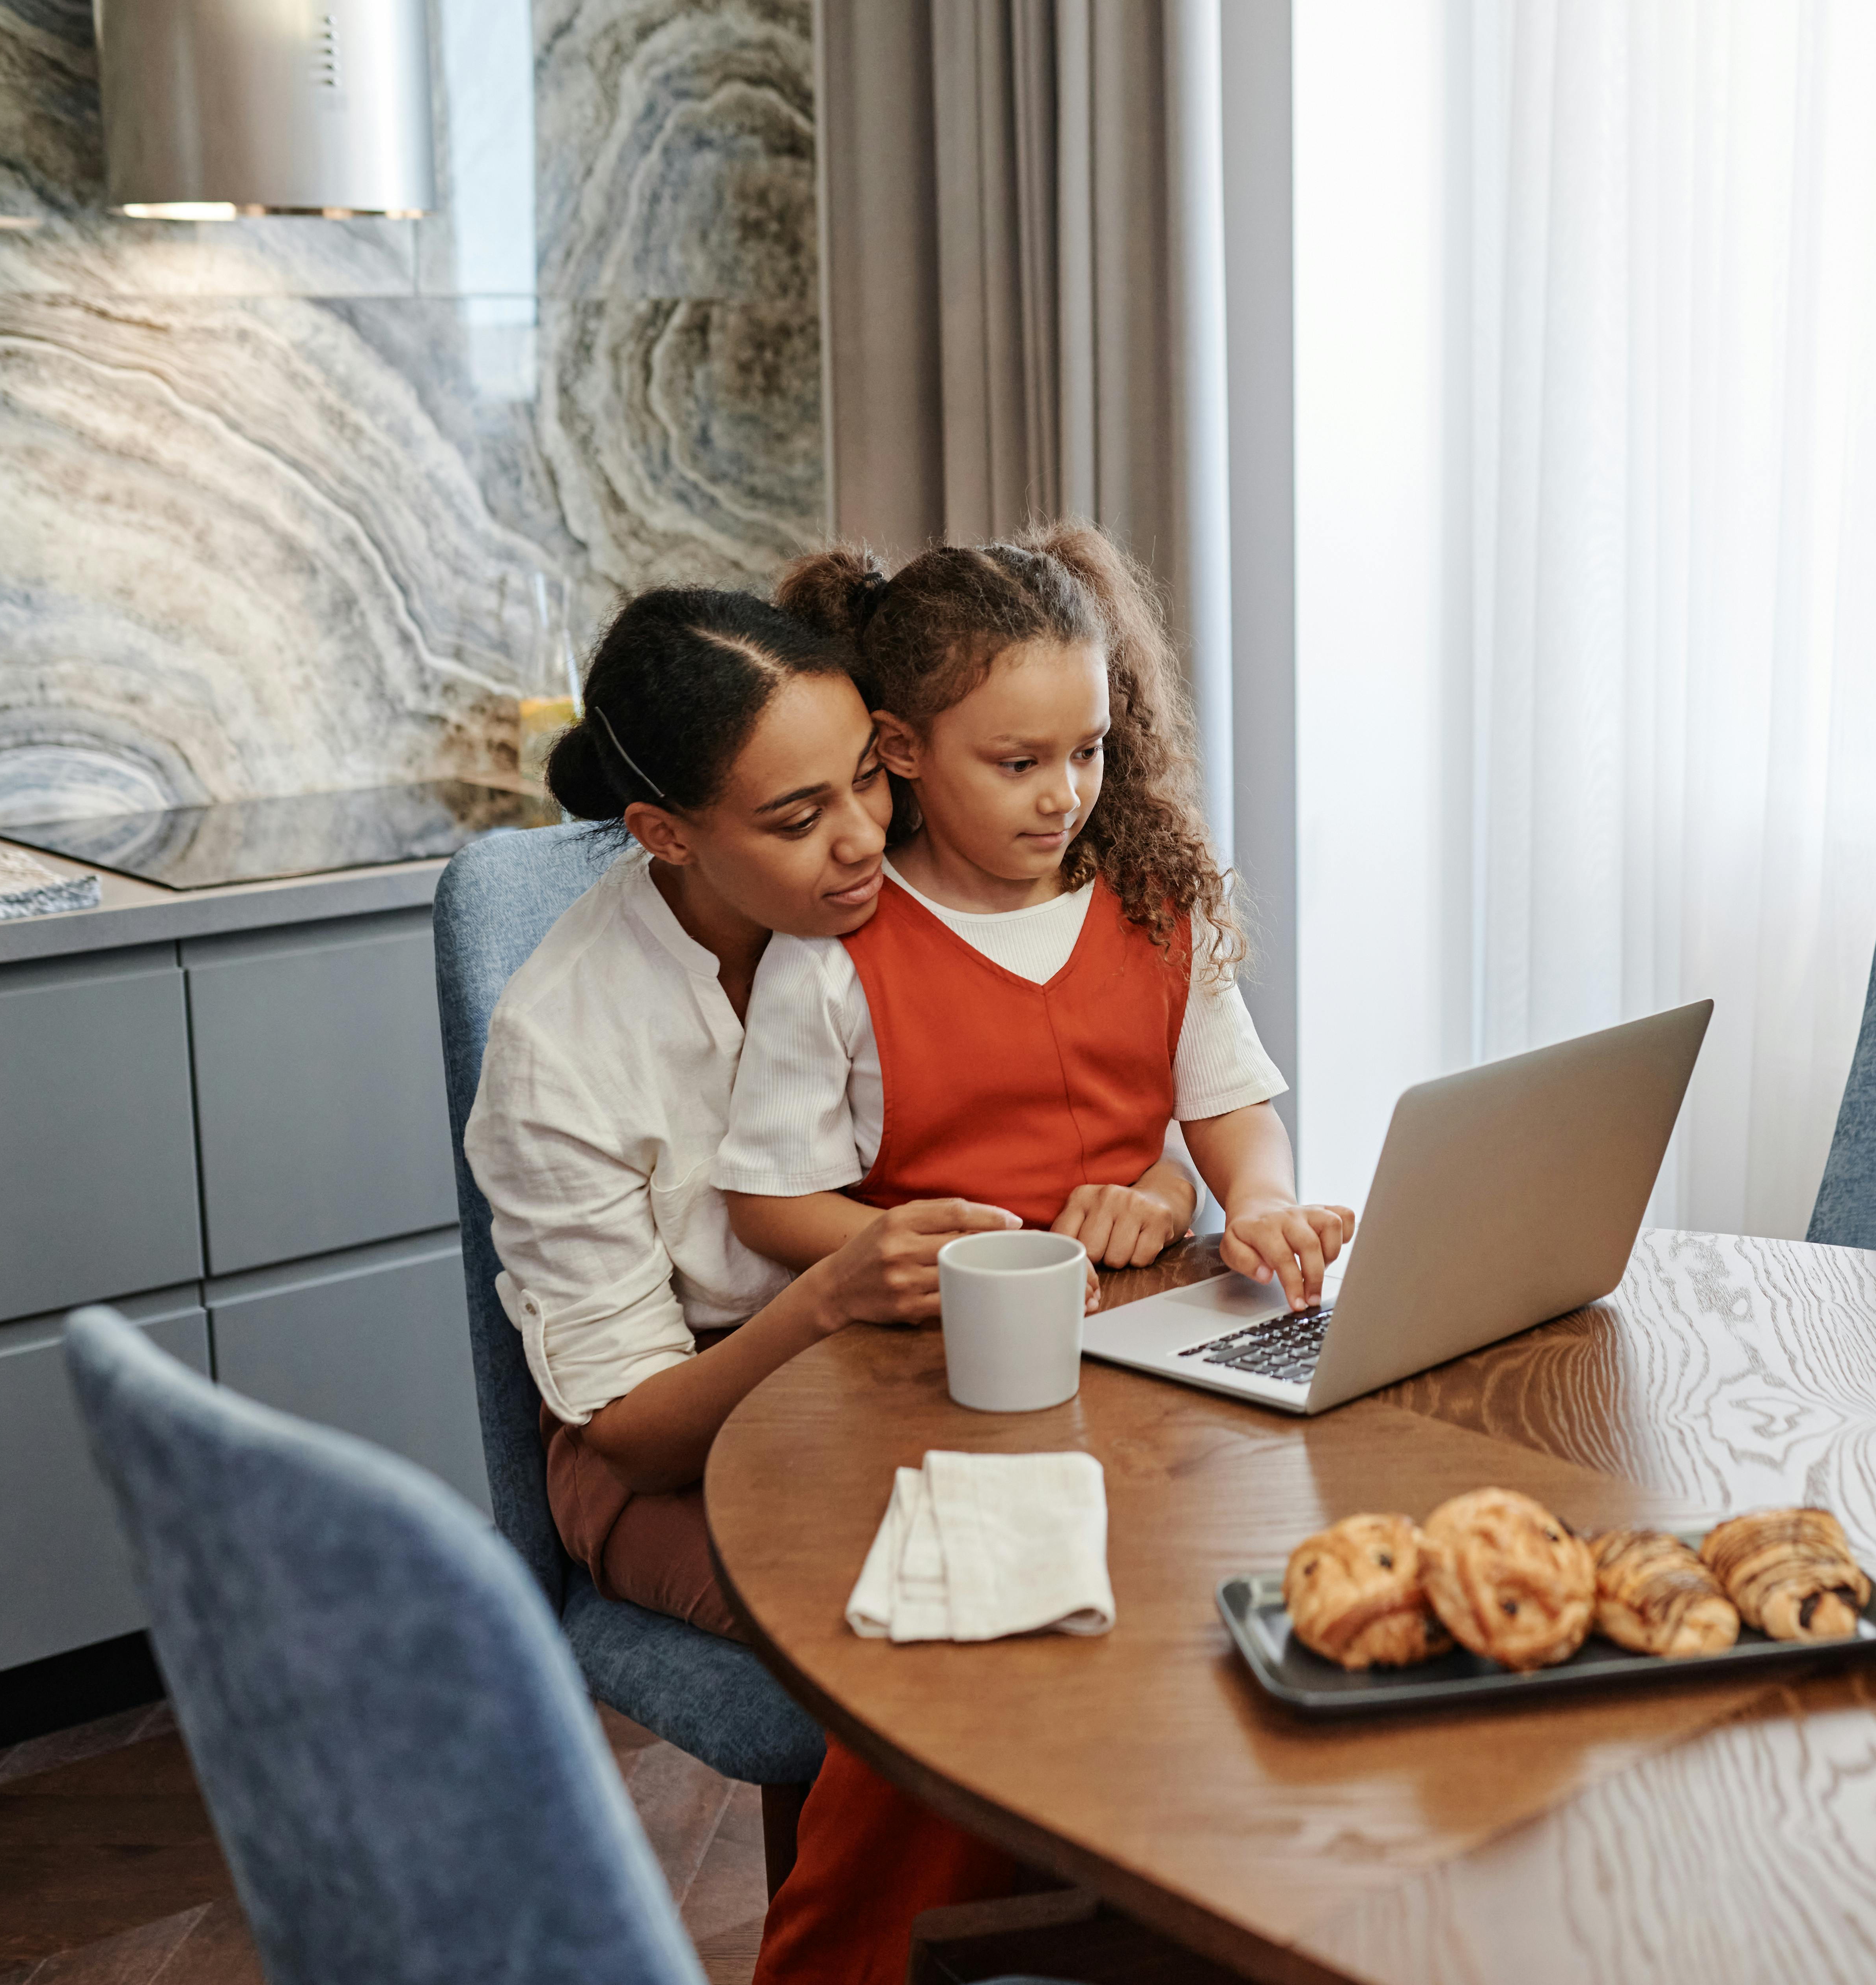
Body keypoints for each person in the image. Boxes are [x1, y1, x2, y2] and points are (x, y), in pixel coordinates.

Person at [729, 524, 1351, 1985]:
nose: (1065, 794)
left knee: (1263, 1598)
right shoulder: (839, 953)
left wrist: (1254, 1200)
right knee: (964, 1655)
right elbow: (771, 1201)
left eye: (1086, 750)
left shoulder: (1156, 905)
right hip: (931, 1384)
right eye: (1017, 764)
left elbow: (1235, 1118)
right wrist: (932, 1250)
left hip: (1148, 1372)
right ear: (900, 751)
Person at [463, 586, 1015, 1911]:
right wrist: (828, 1296)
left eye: (866, 782)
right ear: (661, 832)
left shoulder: (909, 895)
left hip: (888, 1373)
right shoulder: (560, 1052)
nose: (863, 841)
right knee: (943, 1613)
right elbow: (630, 1436)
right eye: (795, 818)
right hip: (666, 1445)